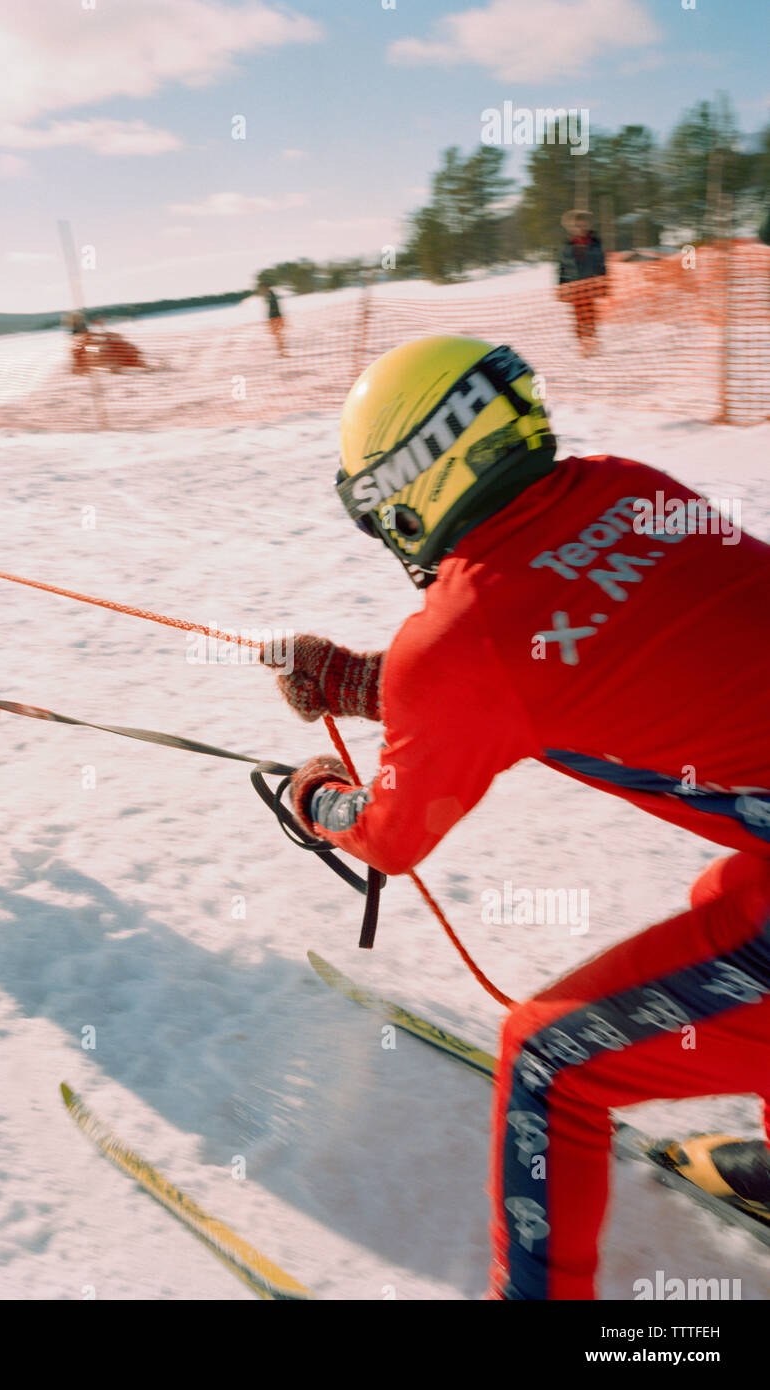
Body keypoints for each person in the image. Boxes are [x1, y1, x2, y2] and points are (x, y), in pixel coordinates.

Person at [263, 334, 770, 1300]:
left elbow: (391, 835)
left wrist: (315, 796)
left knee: (548, 1063)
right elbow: (599, 650)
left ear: (409, 489)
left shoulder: (458, 642)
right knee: (732, 894)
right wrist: (383, 686)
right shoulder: (626, 484)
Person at [557, 210, 608, 352]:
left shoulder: (595, 243)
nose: (580, 228)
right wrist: (561, 286)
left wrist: (604, 283)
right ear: (571, 227)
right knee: (579, 315)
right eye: (577, 225)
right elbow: (561, 266)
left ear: (588, 225)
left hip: (590, 285)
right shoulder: (567, 245)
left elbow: (601, 263)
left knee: (590, 314)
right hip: (574, 286)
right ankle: (582, 342)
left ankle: (591, 340)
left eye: (583, 225)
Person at [261, 284, 286, 356]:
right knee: (278, 336)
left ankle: (282, 352)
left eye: (264, 288)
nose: (263, 290)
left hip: (275, 318)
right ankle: (281, 351)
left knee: (278, 336)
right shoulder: (270, 296)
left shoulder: (271, 296)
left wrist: (272, 319)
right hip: (275, 318)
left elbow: (274, 308)